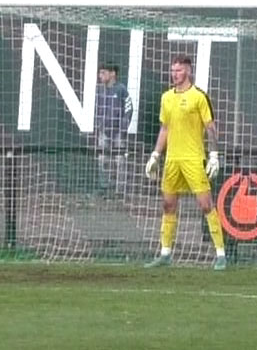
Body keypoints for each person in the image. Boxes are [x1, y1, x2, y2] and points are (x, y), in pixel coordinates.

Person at [144, 55, 228, 270]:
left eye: (179, 70)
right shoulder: (166, 98)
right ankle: (165, 253)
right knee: (168, 204)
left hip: (193, 158)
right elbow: (165, 128)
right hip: (172, 159)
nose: (175, 74)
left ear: (188, 72)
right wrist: (155, 155)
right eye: (173, 70)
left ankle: (220, 254)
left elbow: (210, 127)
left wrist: (214, 155)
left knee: (205, 204)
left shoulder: (199, 97)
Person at [93, 60, 135, 194]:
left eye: (103, 73)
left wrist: (123, 127)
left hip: (118, 132)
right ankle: (104, 188)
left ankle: (120, 191)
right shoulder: (99, 90)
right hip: (104, 131)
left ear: (112, 74)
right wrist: (99, 124)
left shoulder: (121, 89)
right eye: (100, 73)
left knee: (120, 160)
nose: (100, 76)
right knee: (101, 159)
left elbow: (129, 108)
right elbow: (97, 108)